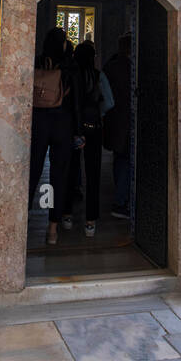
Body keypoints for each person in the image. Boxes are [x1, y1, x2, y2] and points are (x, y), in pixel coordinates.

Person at [29, 27, 81, 245]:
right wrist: (79, 132)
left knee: (32, 173)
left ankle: (21, 222)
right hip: (63, 126)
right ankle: (52, 229)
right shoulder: (69, 67)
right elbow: (76, 102)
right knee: (59, 177)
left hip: (40, 123)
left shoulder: (37, 62)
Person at [63, 40, 109, 237]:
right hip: (93, 129)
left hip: (72, 130)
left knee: (69, 172)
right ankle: (90, 222)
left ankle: (66, 215)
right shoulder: (99, 76)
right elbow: (109, 102)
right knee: (93, 174)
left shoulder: (70, 75)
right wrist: (98, 114)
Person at [103, 34, 133, 218]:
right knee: (126, 159)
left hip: (114, 120)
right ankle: (121, 201)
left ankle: (120, 197)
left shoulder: (110, 66)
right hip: (126, 121)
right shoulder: (131, 68)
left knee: (120, 158)